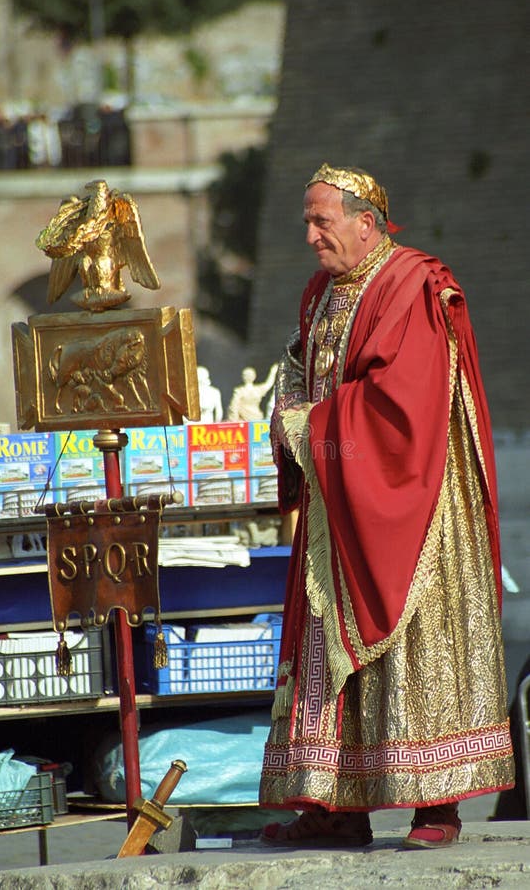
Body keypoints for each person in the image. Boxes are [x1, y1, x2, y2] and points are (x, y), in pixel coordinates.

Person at [259, 163, 515, 850]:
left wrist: (308, 427)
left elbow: (403, 403)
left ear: (365, 223)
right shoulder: (320, 292)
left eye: (322, 222)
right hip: (335, 502)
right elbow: (298, 368)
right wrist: (292, 416)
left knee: (416, 642)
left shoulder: (412, 285)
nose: (311, 236)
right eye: (308, 222)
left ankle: (438, 805)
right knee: (325, 649)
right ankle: (333, 807)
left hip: (415, 496)